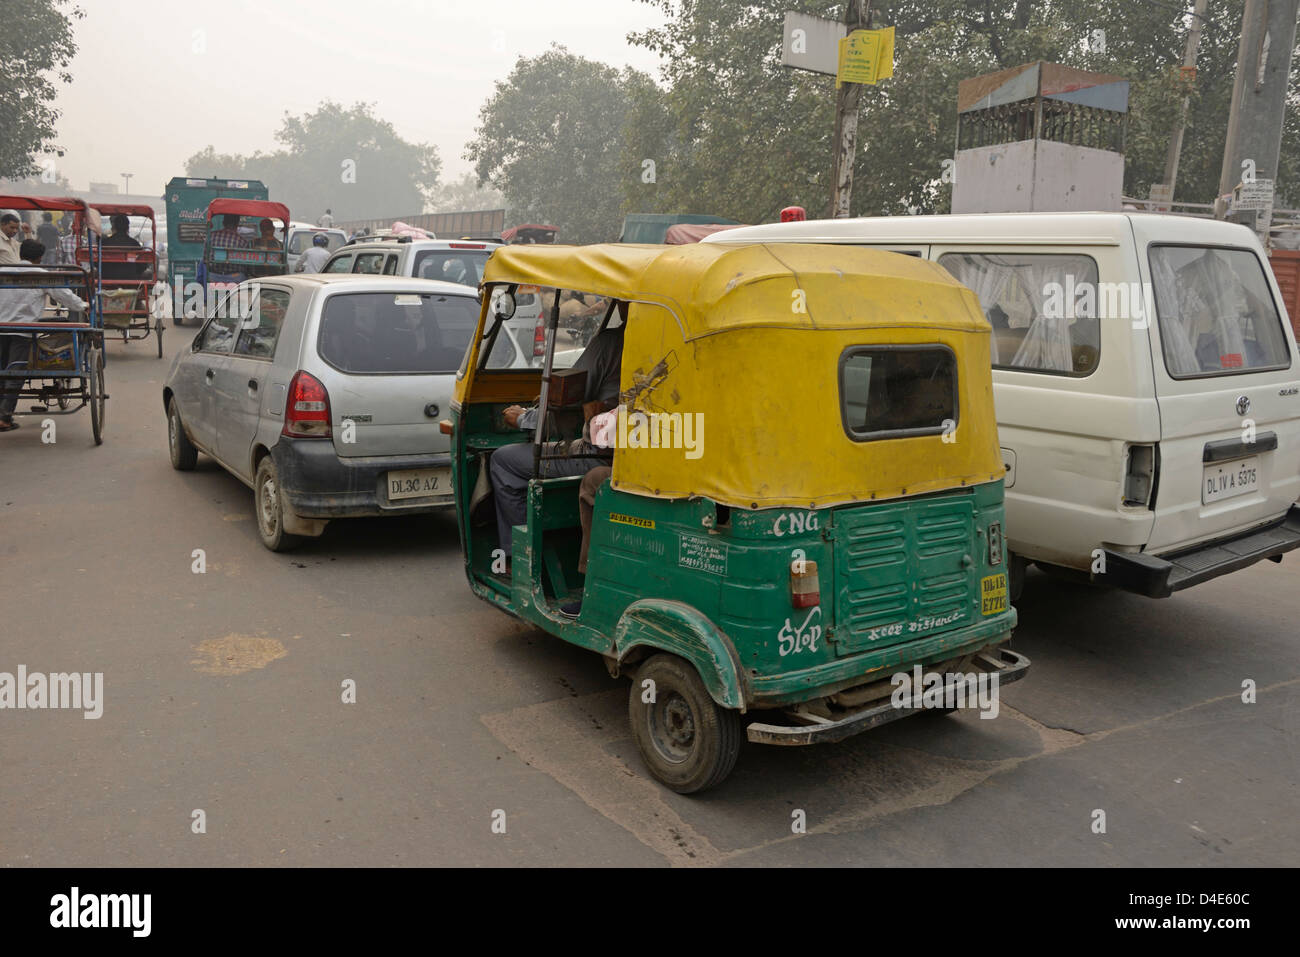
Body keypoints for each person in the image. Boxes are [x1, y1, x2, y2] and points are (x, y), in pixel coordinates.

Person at [489, 317, 625, 562]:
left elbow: (568, 399)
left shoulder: (612, 342)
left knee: (503, 460)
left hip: (602, 456)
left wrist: (524, 418)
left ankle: (517, 559)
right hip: (642, 454)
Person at [0, 239, 90, 431]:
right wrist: (83, 306)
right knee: (15, 372)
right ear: (39, 258)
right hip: (22, 331)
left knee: (2, 369)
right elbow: (65, 296)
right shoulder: (41, 275)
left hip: (1, 328)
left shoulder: (4, 272)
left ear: (20, 254)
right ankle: (4, 416)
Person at [101, 213, 145, 282]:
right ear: (127, 228)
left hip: (106, 277)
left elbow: (97, 264)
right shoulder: (134, 244)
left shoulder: (104, 243)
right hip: (130, 278)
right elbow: (142, 265)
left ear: (113, 227)